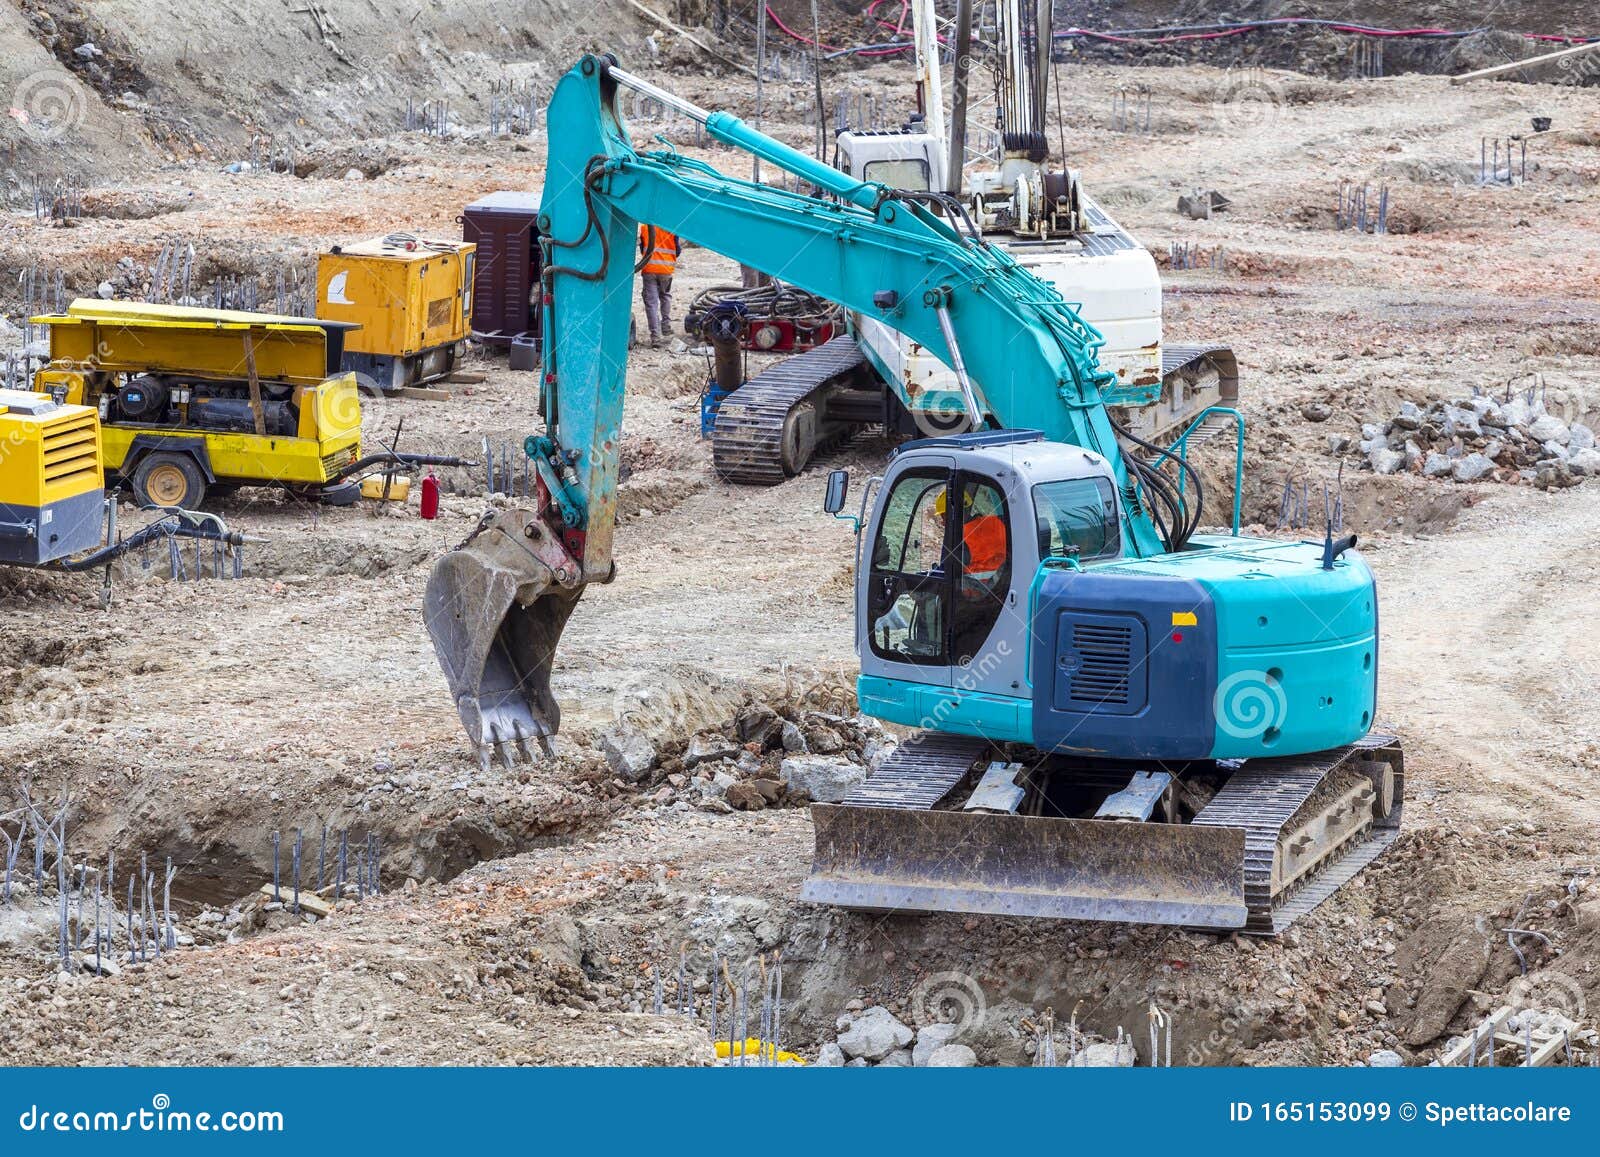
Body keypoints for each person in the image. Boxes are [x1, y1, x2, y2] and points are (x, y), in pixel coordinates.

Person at [638, 224, 681, 346]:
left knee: (651, 303)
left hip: (649, 268)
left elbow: (642, 249)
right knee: (665, 296)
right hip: (666, 270)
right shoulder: (672, 227)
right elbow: (677, 250)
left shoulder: (645, 227)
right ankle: (666, 327)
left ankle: (655, 337)